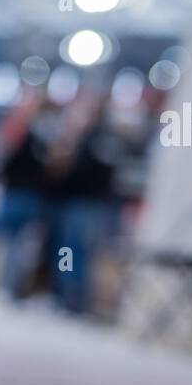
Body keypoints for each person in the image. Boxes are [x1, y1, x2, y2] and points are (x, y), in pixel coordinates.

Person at [0, 87, 58, 297]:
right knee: (16, 245)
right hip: (33, 197)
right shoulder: (49, 136)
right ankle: (6, 289)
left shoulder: (26, 132)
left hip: (16, 193)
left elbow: (9, 160)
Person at [47, 92, 124, 315]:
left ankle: (69, 298)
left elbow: (88, 173)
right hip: (79, 202)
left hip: (83, 203)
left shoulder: (95, 139)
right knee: (70, 251)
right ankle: (65, 295)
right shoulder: (99, 139)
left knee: (72, 251)